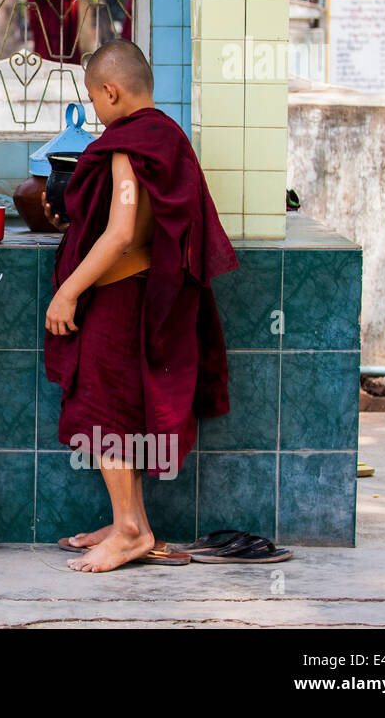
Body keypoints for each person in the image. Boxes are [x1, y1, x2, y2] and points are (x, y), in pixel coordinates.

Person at [41, 39, 238, 573]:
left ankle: (130, 531)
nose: (95, 109)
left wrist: (68, 291)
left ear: (110, 91)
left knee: (102, 412)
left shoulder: (128, 145)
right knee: (121, 414)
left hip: (121, 297)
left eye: (92, 96)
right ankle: (130, 521)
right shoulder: (169, 135)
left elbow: (121, 233)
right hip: (150, 294)